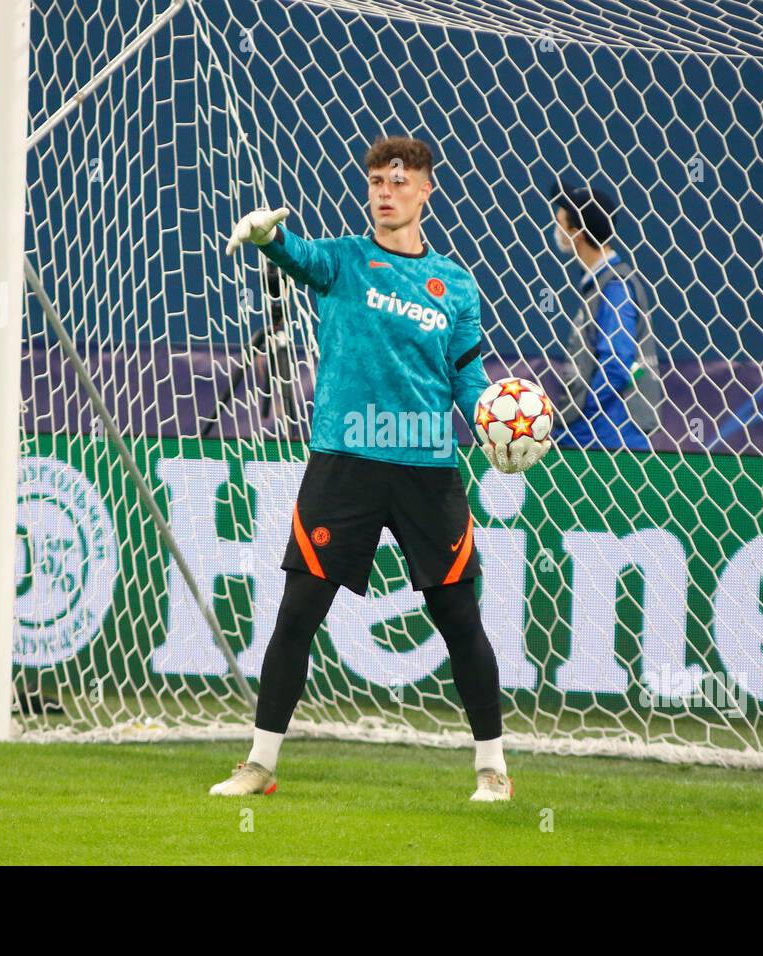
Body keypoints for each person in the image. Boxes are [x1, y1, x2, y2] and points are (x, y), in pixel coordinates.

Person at [213, 135, 549, 802]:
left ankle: (492, 769)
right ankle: (259, 764)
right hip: (344, 465)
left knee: (460, 619)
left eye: (399, 181)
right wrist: (268, 239)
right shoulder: (343, 260)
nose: (385, 192)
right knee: (297, 614)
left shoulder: (455, 284)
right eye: (376, 181)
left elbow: (467, 378)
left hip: (427, 469)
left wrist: (496, 428)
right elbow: (298, 254)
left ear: (426, 190)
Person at [549, 180, 662, 450]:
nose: (556, 229)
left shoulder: (615, 287)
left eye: (560, 223)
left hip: (607, 439)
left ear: (577, 234)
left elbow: (616, 364)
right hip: (598, 435)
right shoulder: (601, 283)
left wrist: (580, 421)